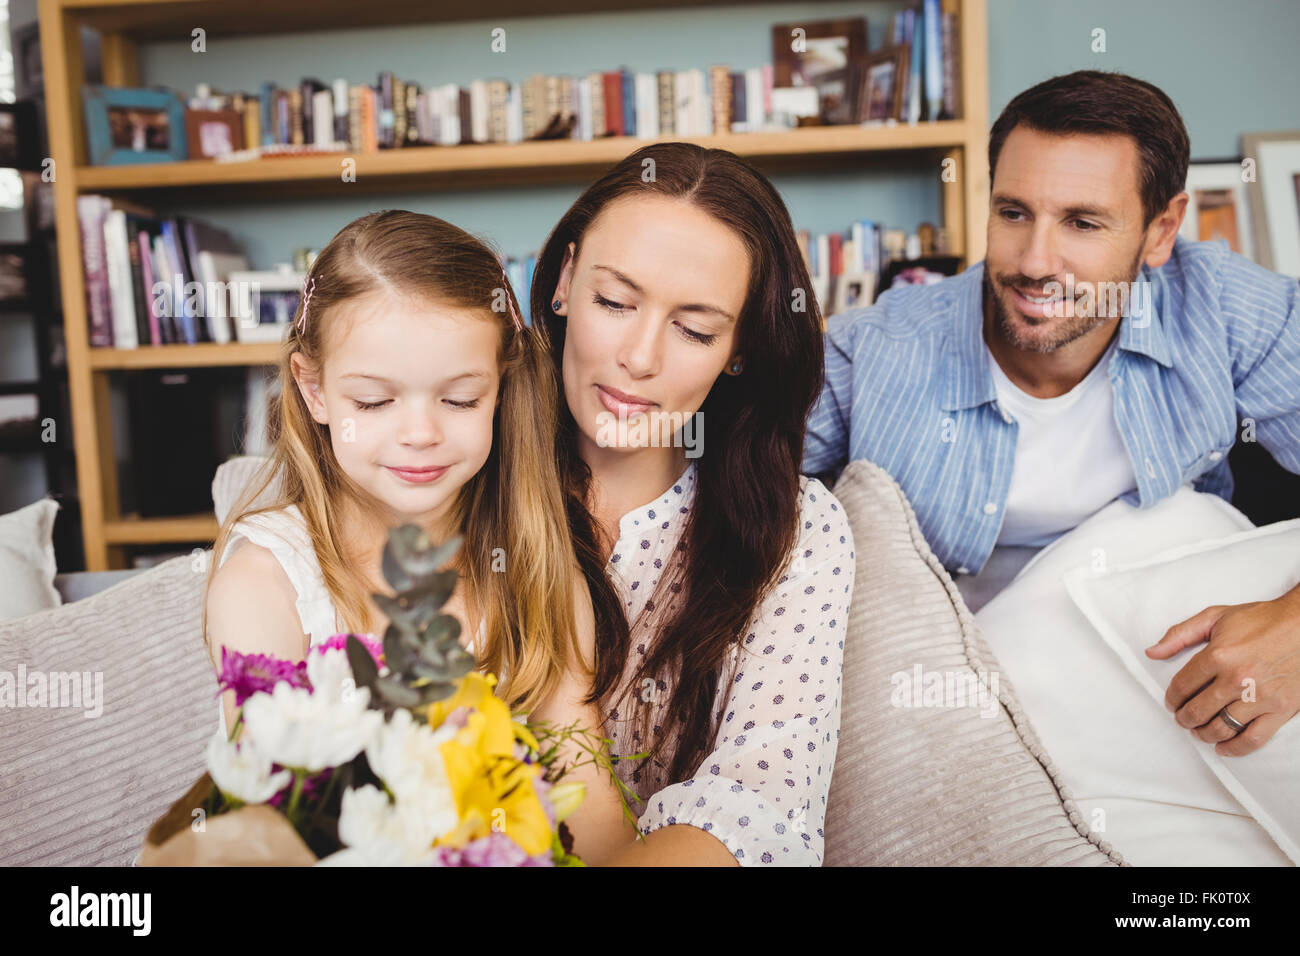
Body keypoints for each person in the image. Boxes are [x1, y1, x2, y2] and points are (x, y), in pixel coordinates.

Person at [804, 70, 1300, 756]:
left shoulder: (1219, 306)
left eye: (1083, 222)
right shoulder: (880, 350)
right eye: (1013, 213)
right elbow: (718, 491)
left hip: (1153, 666)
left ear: (1161, 231)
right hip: (952, 695)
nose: (1036, 262)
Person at [202, 209, 634, 863]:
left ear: (501, 388)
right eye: (374, 402)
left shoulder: (537, 566)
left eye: (459, 399)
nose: (420, 434)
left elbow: (590, 800)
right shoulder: (266, 583)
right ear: (314, 389)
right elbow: (271, 831)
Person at [531, 142, 856, 865]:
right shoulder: (454, 467)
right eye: (614, 302)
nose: (639, 357)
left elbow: (757, 812)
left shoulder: (798, 533)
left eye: (695, 329)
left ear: (738, 347)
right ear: (564, 278)